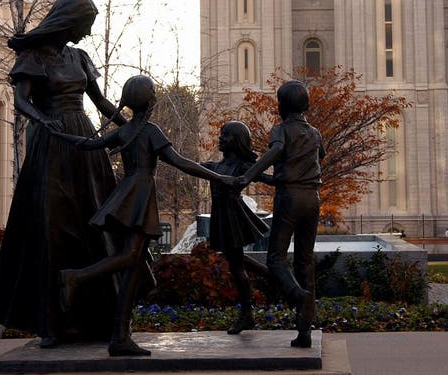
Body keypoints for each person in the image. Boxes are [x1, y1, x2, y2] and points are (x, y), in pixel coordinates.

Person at [57, 75, 235, 357]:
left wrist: (57, 132)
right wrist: (219, 178)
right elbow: (181, 162)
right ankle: (76, 278)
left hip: (127, 193)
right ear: (149, 99)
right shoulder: (150, 131)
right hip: (139, 195)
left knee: (134, 265)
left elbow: (87, 144)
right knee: (131, 258)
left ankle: (119, 335)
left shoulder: (126, 131)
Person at [0, 0, 126, 347]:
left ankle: (96, 319)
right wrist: (43, 121)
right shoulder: (33, 56)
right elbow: (20, 101)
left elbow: (99, 101)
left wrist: (127, 120)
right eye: (86, 25)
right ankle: (51, 322)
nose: (89, 34)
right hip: (51, 147)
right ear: (70, 20)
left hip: (84, 148)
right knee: (53, 228)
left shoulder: (79, 57)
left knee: (93, 225)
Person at [235, 80, 325, 348]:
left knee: (275, 259)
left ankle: (296, 295)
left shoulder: (282, 130)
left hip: (290, 199)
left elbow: (275, 153)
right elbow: (318, 157)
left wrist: (247, 176)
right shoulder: (315, 133)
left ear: (281, 105)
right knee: (304, 263)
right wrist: (265, 174)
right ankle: (304, 332)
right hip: (312, 198)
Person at [202, 121, 270, 335]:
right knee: (235, 260)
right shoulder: (217, 166)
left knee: (237, 267)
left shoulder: (242, 166)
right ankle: (272, 277)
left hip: (234, 216)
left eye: (226, 135)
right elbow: (189, 165)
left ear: (237, 141)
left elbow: (267, 178)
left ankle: (247, 315)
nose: (221, 138)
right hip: (221, 216)